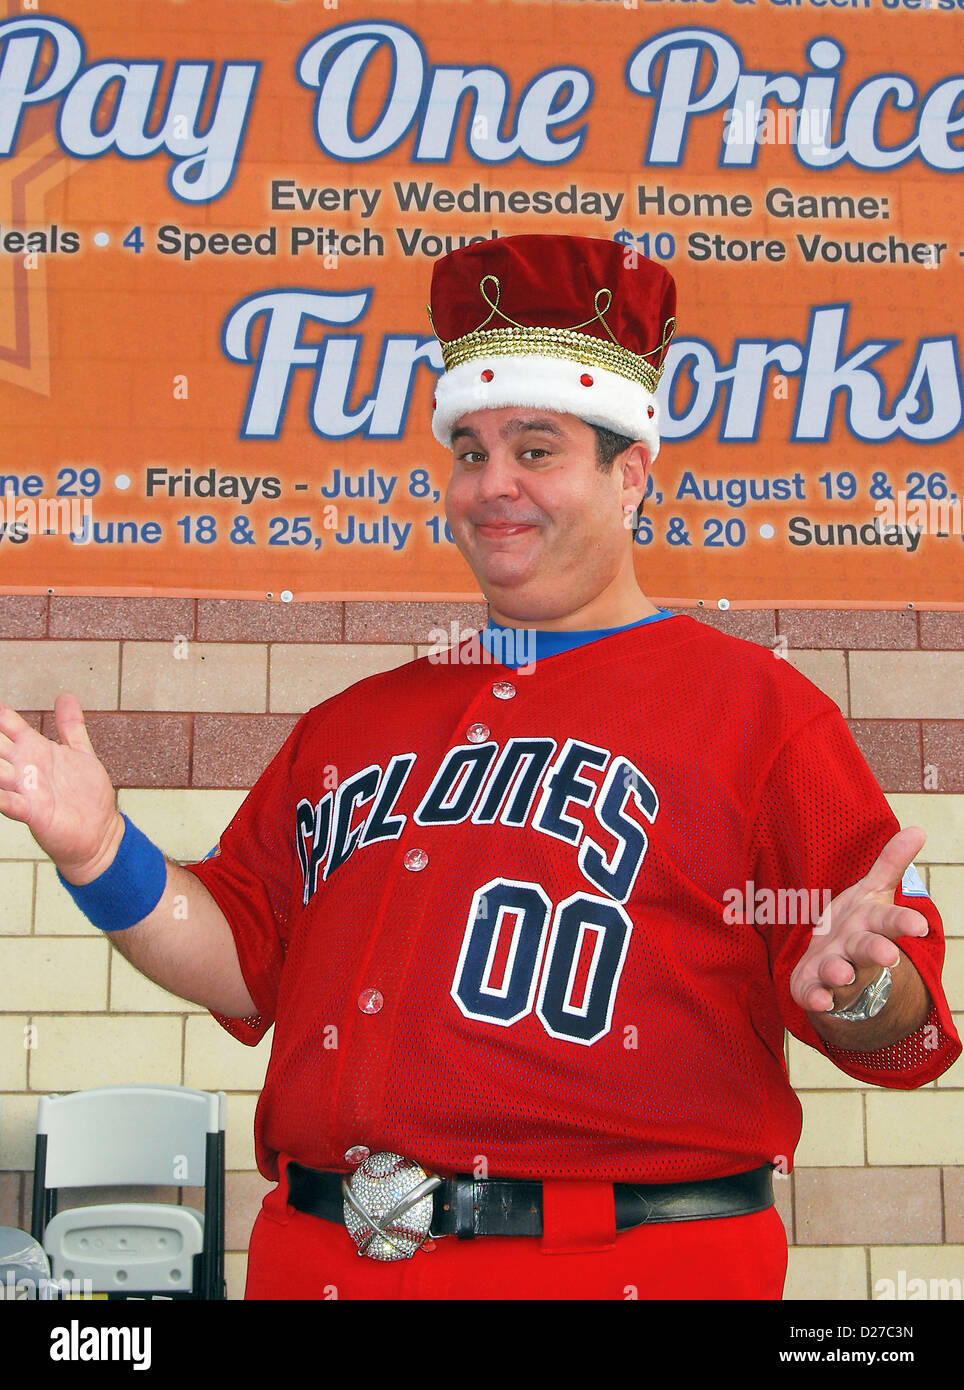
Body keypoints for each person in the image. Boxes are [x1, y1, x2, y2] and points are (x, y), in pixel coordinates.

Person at [0, 235, 958, 1301]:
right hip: (323, 1260)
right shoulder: (349, 726)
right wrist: (98, 851)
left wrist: (862, 984)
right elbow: (237, 957)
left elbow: (905, 1036)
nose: (491, 483)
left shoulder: (762, 713)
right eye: (469, 450)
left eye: (536, 448)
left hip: (623, 1267)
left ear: (631, 470)